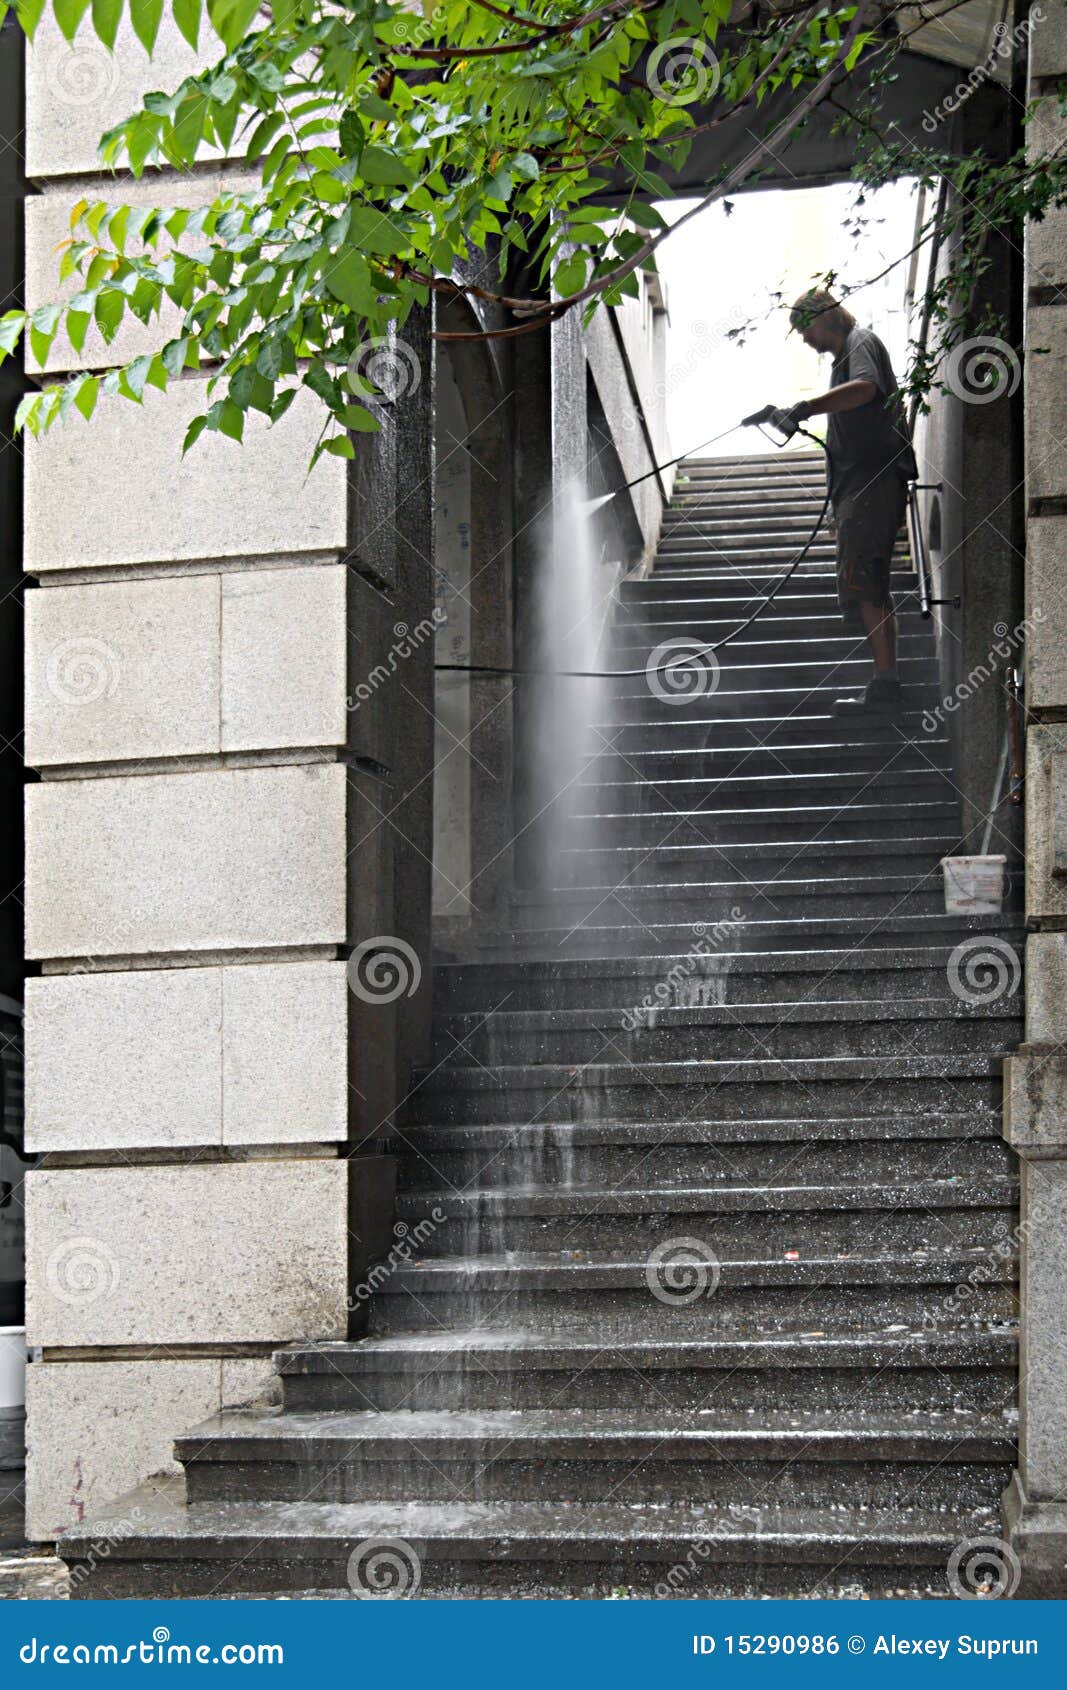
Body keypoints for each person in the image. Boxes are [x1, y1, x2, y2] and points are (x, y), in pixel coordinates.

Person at [777, 291, 917, 716]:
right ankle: (885, 682)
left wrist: (807, 407)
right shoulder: (844, 359)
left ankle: (887, 684)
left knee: (865, 577)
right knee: (864, 578)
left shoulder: (860, 341)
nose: (804, 339)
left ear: (826, 316)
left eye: (806, 328)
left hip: (872, 482)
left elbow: (866, 390)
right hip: (860, 486)